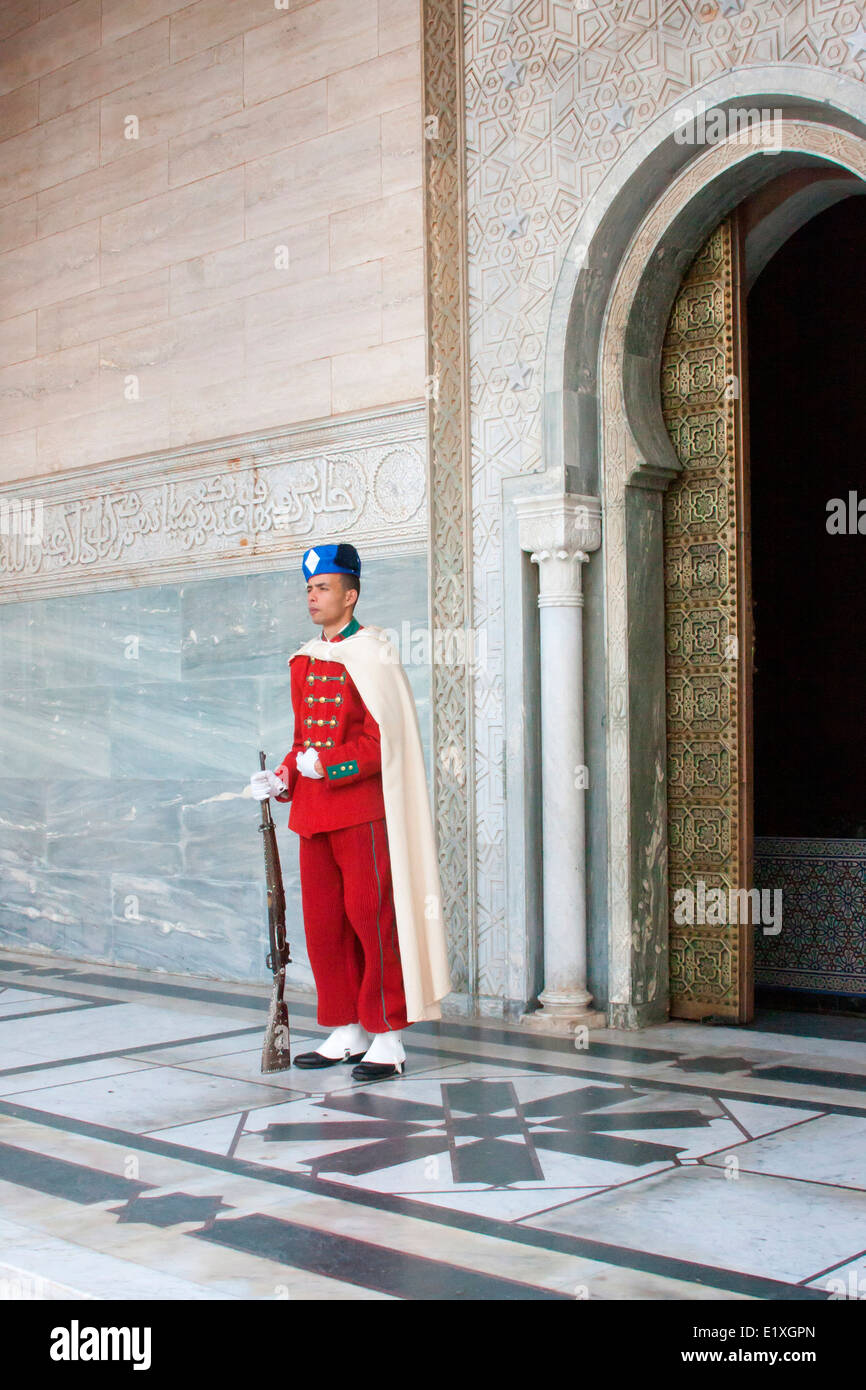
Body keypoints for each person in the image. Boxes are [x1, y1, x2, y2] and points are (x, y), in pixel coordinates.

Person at [249, 542, 450, 1081]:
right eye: (309, 589)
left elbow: (384, 741)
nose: (312, 597)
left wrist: (329, 766)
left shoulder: (373, 654)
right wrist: (285, 776)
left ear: (351, 595)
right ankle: (347, 1028)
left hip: (361, 813)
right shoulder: (305, 659)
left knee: (372, 920)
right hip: (313, 815)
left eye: (323, 588)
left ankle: (387, 1033)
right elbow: (301, 739)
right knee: (324, 926)